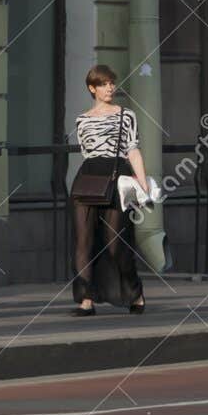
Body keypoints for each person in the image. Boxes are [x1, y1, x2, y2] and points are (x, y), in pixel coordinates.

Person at [70, 65, 150, 316]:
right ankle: (85, 299)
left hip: (118, 178)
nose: (110, 88)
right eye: (103, 84)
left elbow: (133, 150)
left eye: (111, 83)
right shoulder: (81, 120)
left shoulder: (126, 115)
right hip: (87, 179)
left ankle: (134, 292)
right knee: (83, 241)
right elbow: (86, 153)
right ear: (92, 88)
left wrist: (143, 182)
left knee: (116, 243)